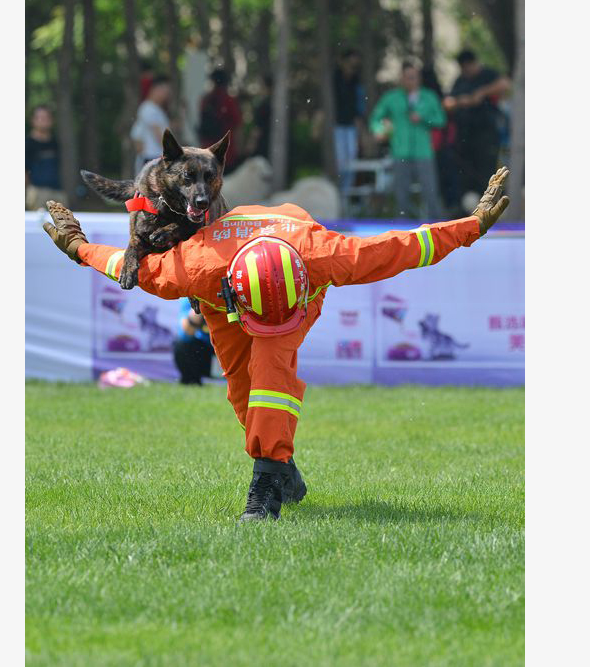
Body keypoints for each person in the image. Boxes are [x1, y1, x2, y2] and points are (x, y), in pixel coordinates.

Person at [42, 168, 511, 521]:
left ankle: (265, 490)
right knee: (241, 394)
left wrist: (471, 226)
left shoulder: (324, 254)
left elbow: (399, 248)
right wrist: (78, 247)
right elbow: (132, 267)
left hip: (292, 296)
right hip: (228, 298)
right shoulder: (201, 266)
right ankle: (282, 467)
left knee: (270, 378)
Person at [368, 62, 446, 219]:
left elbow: (441, 120)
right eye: (407, 77)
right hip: (400, 151)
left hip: (423, 152)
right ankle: (402, 227)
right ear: (402, 78)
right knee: (401, 194)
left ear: (419, 78)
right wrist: (381, 130)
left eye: (413, 77)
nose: (410, 81)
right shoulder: (391, 98)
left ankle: (436, 226)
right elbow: (375, 119)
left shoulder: (429, 97)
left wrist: (423, 118)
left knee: (430, 191)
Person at [443, 50, 511, 209]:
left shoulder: (487, 74)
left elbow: (505, 84)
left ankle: (491, 207)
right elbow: (448, 103)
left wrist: (482, 93)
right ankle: (468, 209)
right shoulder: (460, 80)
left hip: (486, 136)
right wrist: (462, 102)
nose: (466, 70)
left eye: (468, 66)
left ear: (473, 63)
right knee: (466, 175)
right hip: (465, 138)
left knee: (488, 173)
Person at [333, 49, 365, 200]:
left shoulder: (355, 81)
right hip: (337, 125)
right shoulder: (335, 78)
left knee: (351, 160)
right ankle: (338, 194)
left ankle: (345, 195)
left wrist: (359, 125)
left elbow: (358, 105)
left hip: (351, 126)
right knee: (340, 161)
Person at [198, 69, 243, 172]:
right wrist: (240, 149)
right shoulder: (229, 100)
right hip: (227, 152)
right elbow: (237, 126)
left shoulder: (205, 100)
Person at [130, 75, 172, 175]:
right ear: (155, 89)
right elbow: (159, 136)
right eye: (165, 92)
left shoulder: (155, 109)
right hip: (151, 158)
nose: (166, 96)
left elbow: (136, 135)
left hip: (155, 158)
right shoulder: (148, 109)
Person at [25, 105, 65, 210]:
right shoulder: (27, 143)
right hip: (36, 191)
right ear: (33, 120)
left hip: (57, 190)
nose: (44, 121)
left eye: (46, 118)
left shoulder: (54, 142)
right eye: (40, 118)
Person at [173, 298, 215, 385]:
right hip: (207, 350)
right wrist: (198, 307)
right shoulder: (190, 297)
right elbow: (185, 334)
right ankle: (191, 380)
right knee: (182, 345)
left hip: (229, 346)